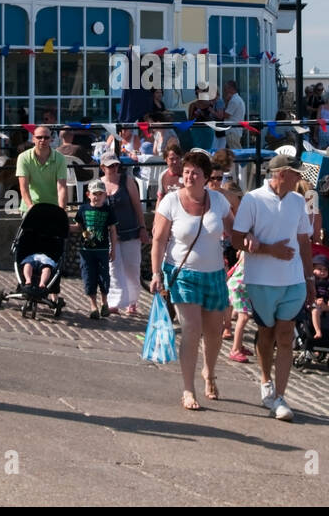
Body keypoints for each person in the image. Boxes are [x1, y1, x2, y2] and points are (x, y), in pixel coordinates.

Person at [231, 153, 313, 422]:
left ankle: (279, 395)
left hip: (293, 282)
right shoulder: (253, 199)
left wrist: (310, 279)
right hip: (261, 281)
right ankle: (266, 381)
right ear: (280, 174)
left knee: (286, 334)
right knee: (266, 334)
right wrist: (268, 250)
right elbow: (236, 239)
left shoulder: (299, 201)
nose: (300, 177)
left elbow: (304, 242)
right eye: (295, 172)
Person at [150, 150, 234, 410]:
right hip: (182, 274)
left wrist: (251, 241)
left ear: (206, 177)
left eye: (195, 172)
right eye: (186, 171)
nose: (189, 176)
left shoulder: (219, 201)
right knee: (191, 328)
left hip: (215, 274)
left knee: (213, 332)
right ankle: (188, 389)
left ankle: (209, 372)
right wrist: (155, 273)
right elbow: (159, 239)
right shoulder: (171, 202)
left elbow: (234, 230)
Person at [101, 154, 145, 317]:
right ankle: (115, 302)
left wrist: (142, 227)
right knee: (114, 268)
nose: (113, 169)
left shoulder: (127, 181)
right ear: (103, 167)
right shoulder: (99, 184)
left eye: (115, 165)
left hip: (130, 230)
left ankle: (132, 301)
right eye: (110, 166)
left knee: (132, 268)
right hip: (109, 234)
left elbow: (137, 206)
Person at [77, 180, 117, 319]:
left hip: (102, 250)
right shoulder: (83, 209)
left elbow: (112, 230)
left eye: (101, 194)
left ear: (105, 195)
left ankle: (104, 302)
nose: (97, 197)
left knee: (104, 277)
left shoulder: (108, 210)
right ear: (88, 194)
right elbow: (78, 226)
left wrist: (113, 249)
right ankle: (93, 305)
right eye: (95, 194)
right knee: (89, 276)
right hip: (86, 250)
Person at [15, 126, 68, 211]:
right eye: (39, 137)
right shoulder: (23, 157)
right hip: (30, 206)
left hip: (53, 206)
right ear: (33, 139)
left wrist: (61, 210)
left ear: (51, 139)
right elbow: (23, 187)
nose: (43, 140)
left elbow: (62, 187)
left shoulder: (60, 158)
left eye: (46, 137)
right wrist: (30, 207)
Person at [214, 80, 245, 150]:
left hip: (232, 131)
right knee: (236, 150)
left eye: (225, 88)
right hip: (234, 130)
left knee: (236, 151)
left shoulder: (234, 100)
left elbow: (226, 115)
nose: (224, 91)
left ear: (231, 88)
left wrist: (226, 102)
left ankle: (244, 161)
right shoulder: (238, 99)